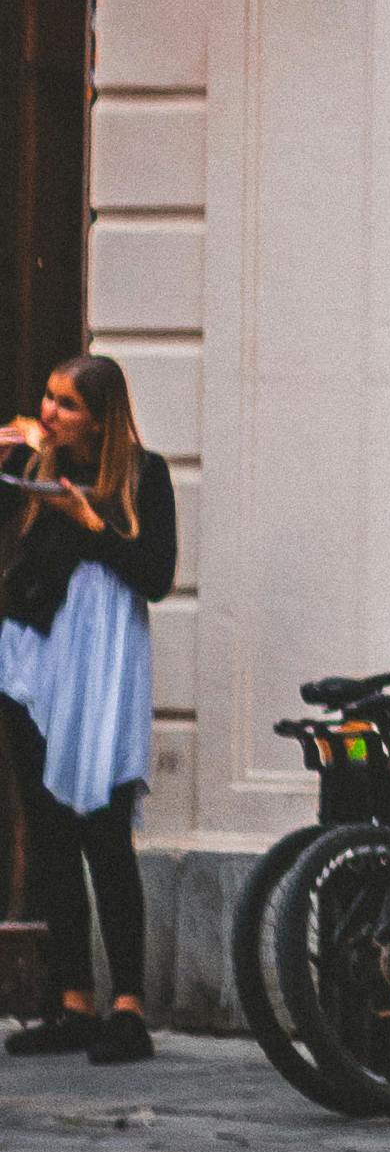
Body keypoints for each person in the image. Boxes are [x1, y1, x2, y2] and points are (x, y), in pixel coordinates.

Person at [0, 357, 176, 1069]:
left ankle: (128, 1008)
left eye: (65, 404)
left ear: (100, 417)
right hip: (30, 667)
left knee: (103, 834)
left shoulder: (142, 476)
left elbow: (156, 576)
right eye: (46, 396)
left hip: (101, 673)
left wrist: (92, 520)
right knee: (47, 837)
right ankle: (72, 1001)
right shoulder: (33, 468)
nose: (48, 412)